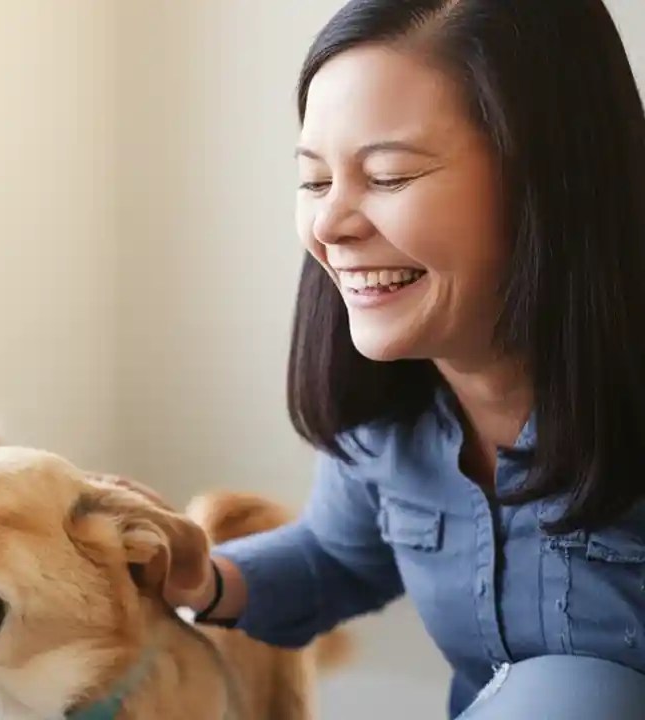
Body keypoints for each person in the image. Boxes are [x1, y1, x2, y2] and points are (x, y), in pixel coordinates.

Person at [139, 1, 645, 717]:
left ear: (550, 180)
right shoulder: (389, 410)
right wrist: (199, 576)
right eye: (315, 181)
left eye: (387, 177)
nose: (329, 224)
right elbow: (335, 555)